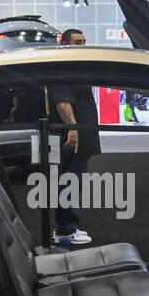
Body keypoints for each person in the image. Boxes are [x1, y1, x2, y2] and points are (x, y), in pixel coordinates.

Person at [47, 35, 100, 246]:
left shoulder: (74, 67)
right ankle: (64, 230)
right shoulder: (63, 68)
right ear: (65, 44)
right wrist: (73, 129)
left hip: (80, 135)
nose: (83, 45)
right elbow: (62, 103)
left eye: (85, 41)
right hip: (73, 136)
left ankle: (68, 227)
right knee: (69, 182)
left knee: (71, 182)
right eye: (78, 42)